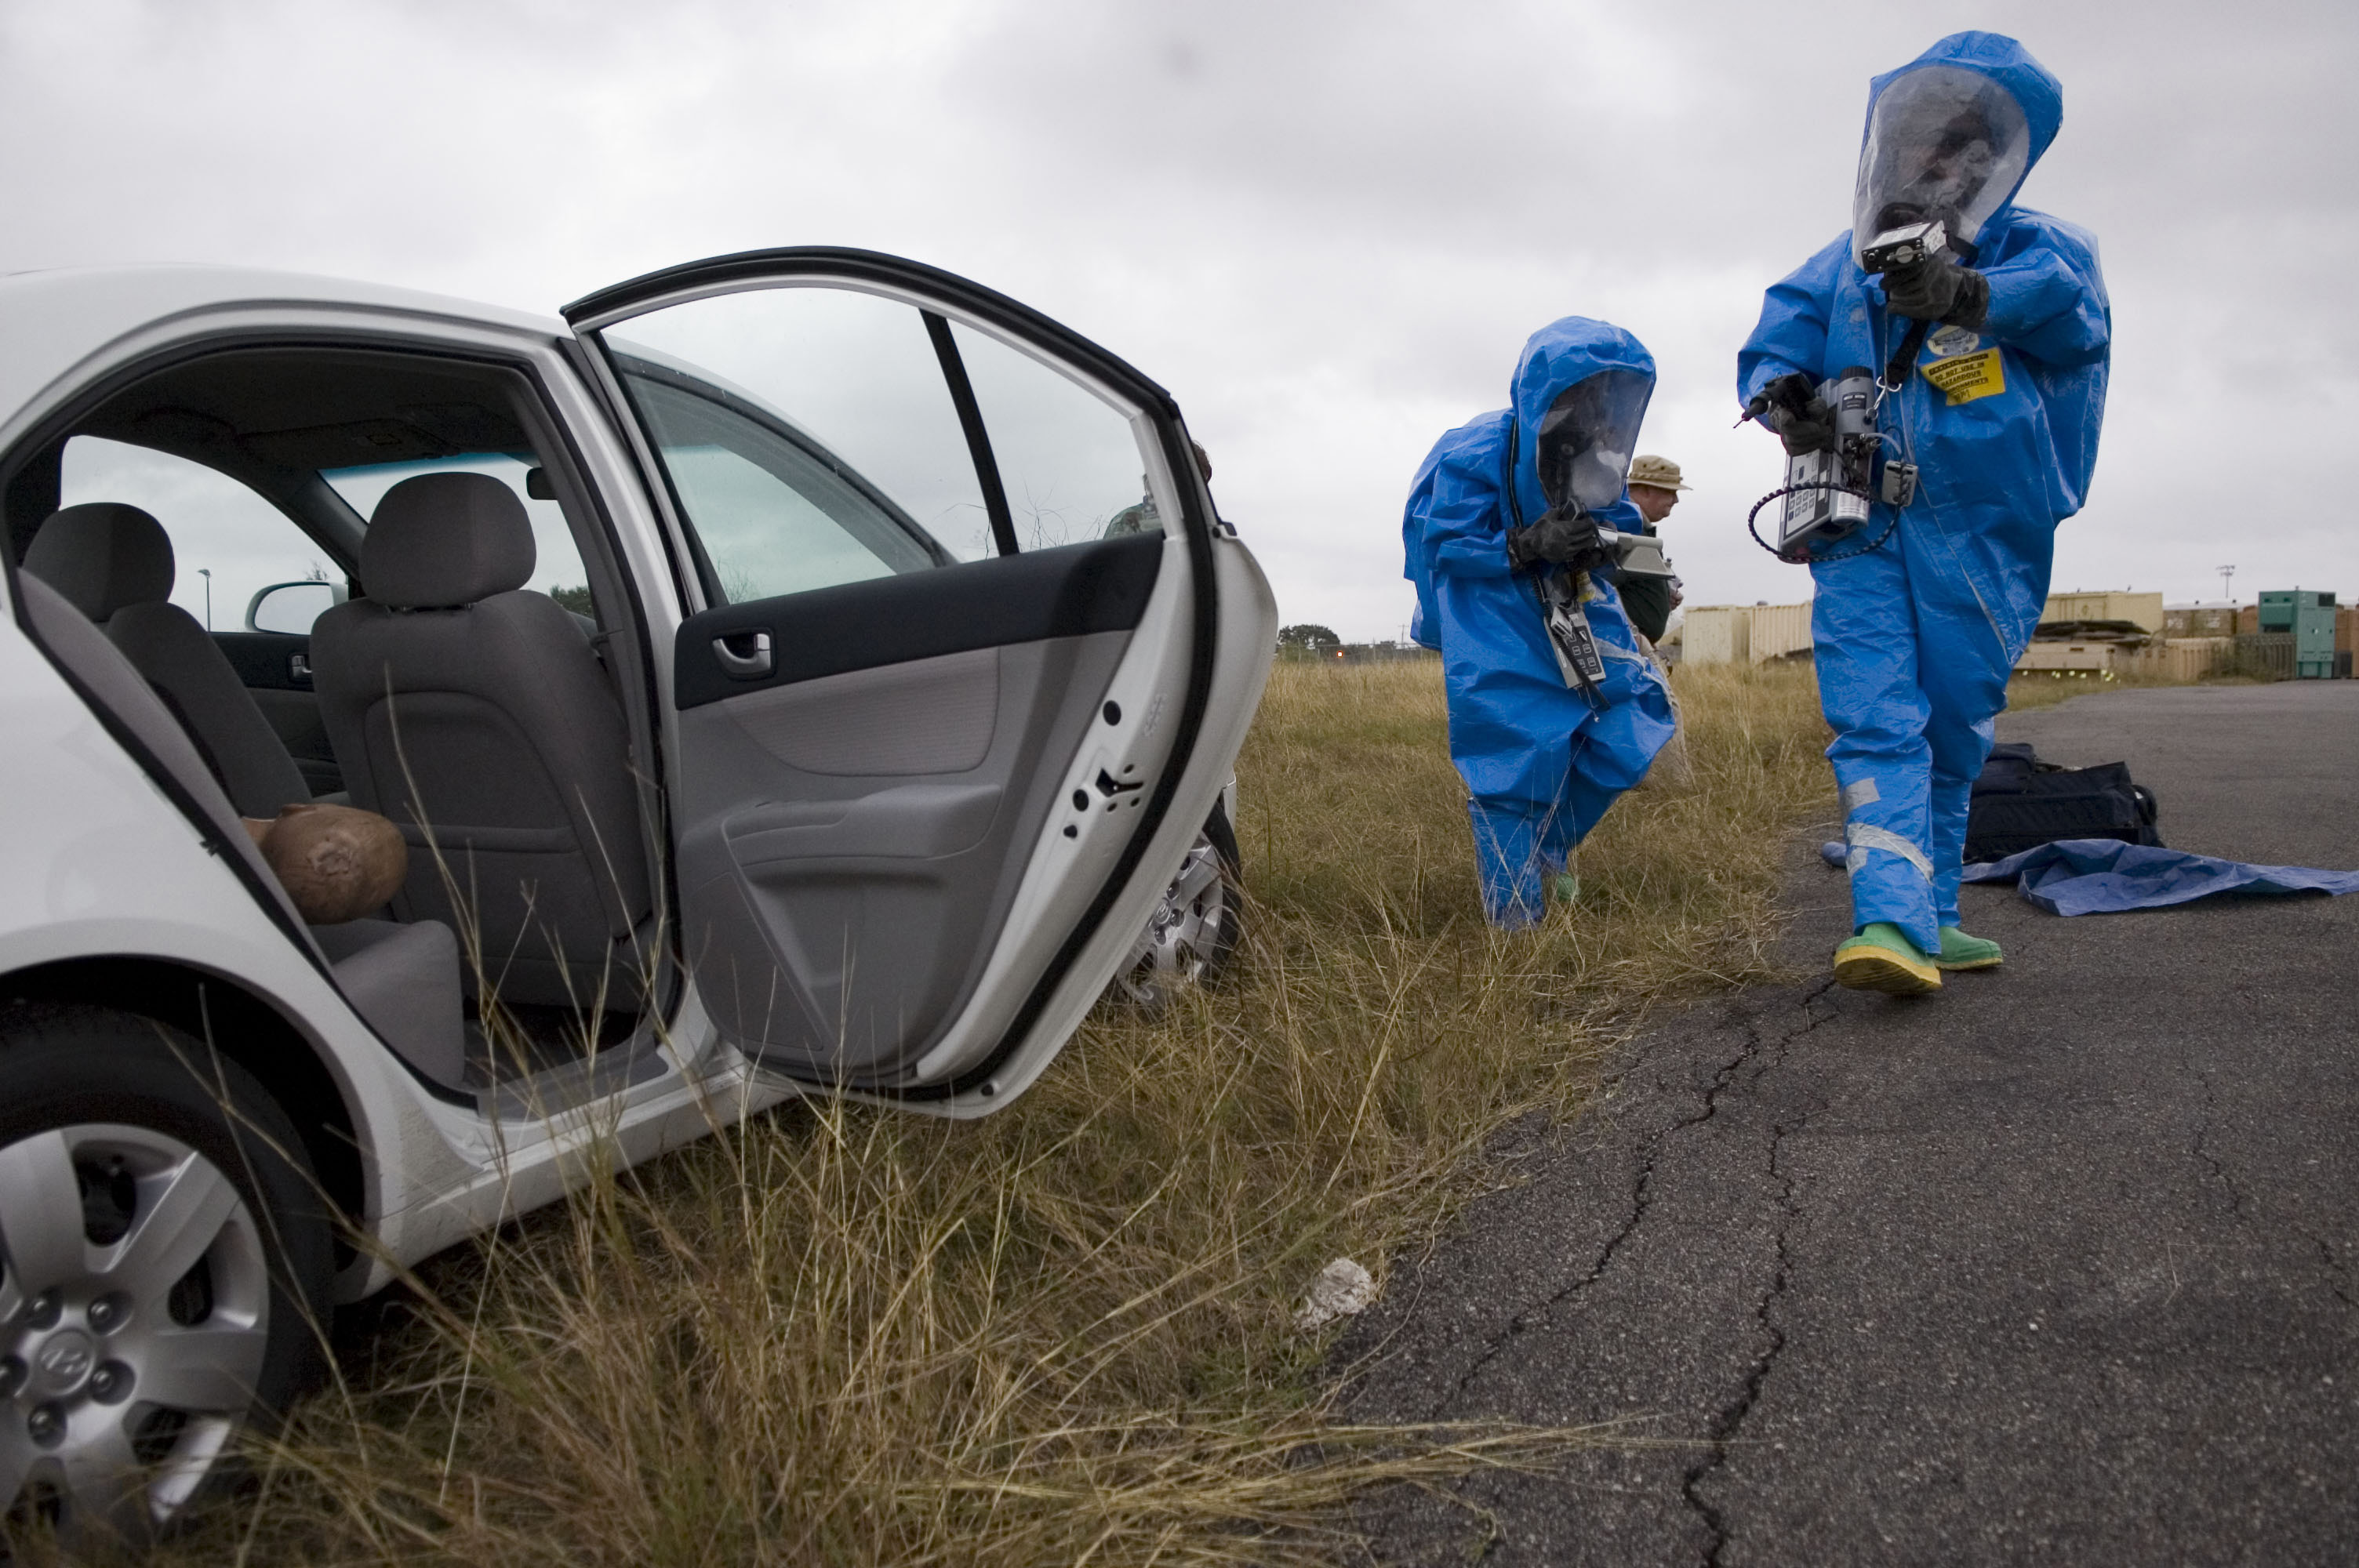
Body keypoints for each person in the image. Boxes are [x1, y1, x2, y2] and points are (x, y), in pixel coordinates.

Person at [1736, 31, 2109, 994]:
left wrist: (1966, 290)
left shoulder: (2040, 248)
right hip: (1858, 529)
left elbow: (2071, 317)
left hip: (1983, 536)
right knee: (1875, 716)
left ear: (1994, 158)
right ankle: (1887, 921)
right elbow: (1775, 335)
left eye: (1962, 143)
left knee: (1954, 724)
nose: (1937, 161)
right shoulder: (1839, 263)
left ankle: (1935, 914)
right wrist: (1783, 393)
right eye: (1922, 138)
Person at [1403, 317, 1677, 928]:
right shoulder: (1480, 454)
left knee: (1637, 718)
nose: (1600, 407)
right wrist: (1525, 545)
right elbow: (1445, 544)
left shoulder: (1596, 450)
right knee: (1512, 761)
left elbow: (1622, 516)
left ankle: (1547, 847)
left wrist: (1607, 542)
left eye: (1610, 394)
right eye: (1586, 391)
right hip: (1494, 613)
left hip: (1573, 601)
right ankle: (1517, 930)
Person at [1616, 454, 1688, 644]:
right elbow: (1603, 585)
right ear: (1647, 490)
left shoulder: (1638, 529)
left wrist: (1663, 598)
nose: (1676, 500)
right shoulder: (1626, 529)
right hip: (1626, 647)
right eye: (1670, 492)